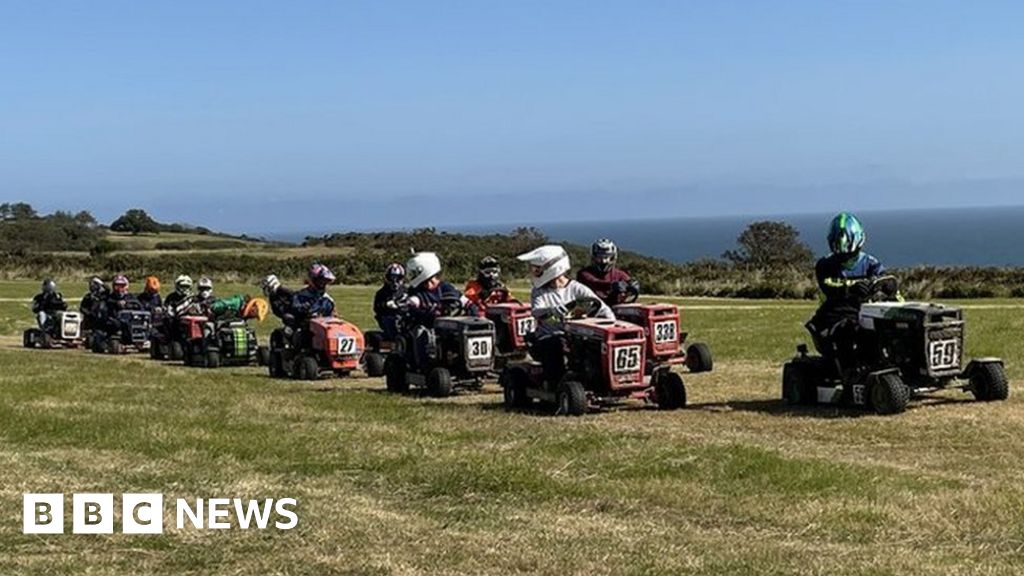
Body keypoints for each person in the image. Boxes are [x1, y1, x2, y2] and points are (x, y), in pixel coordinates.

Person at [808, 212, 898, 367]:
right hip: (834, 315)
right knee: (847, 329)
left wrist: (888, 286)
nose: (846, 259)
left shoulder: (871, 263)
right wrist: (850, 289)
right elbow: (828, 285)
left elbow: (886, 280)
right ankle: (850, 373)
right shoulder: (825, 265)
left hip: (865, 312)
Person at [517, 245, 613, 384]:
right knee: (556, 344)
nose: (535, 273)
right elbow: (537, 311)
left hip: (575, 335)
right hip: (549, 336)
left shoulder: (577, 288)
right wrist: (552, 310)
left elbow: (601, 307)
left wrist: (609, 322)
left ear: (552, 267)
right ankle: (556, 384)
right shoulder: (539, 291)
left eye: (538, 269)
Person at [403, 252, 475, 367]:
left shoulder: (447, 288)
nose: (411, 276)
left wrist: (473, 315)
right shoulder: (416, 292)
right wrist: (430, 313)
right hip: (429, 326)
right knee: (421, 332)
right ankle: (425, 366)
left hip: (450, 326)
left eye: (414, 273)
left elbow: (468, 304)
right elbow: (412, 307)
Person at [576, 238, 641, 307]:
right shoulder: (584, 273)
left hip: (616, 309)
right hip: (592, 309)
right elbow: (594, 282)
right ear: (594, 257)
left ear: (612, 257)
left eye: (606, 257)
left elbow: (628, 281)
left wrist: (633, 286)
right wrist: (612, 286)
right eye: (599, 257)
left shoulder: (619, 274)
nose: (603, 261)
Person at [373, 263, 407, 340]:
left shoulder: (406, 291)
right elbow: (377, 308)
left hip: (404, 317)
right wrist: (386, 305)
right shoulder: (382, 293)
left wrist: (403, 306)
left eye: (397, 278)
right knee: (391, 320)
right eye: (392, 277)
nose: (394, 281)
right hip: (388, 317)